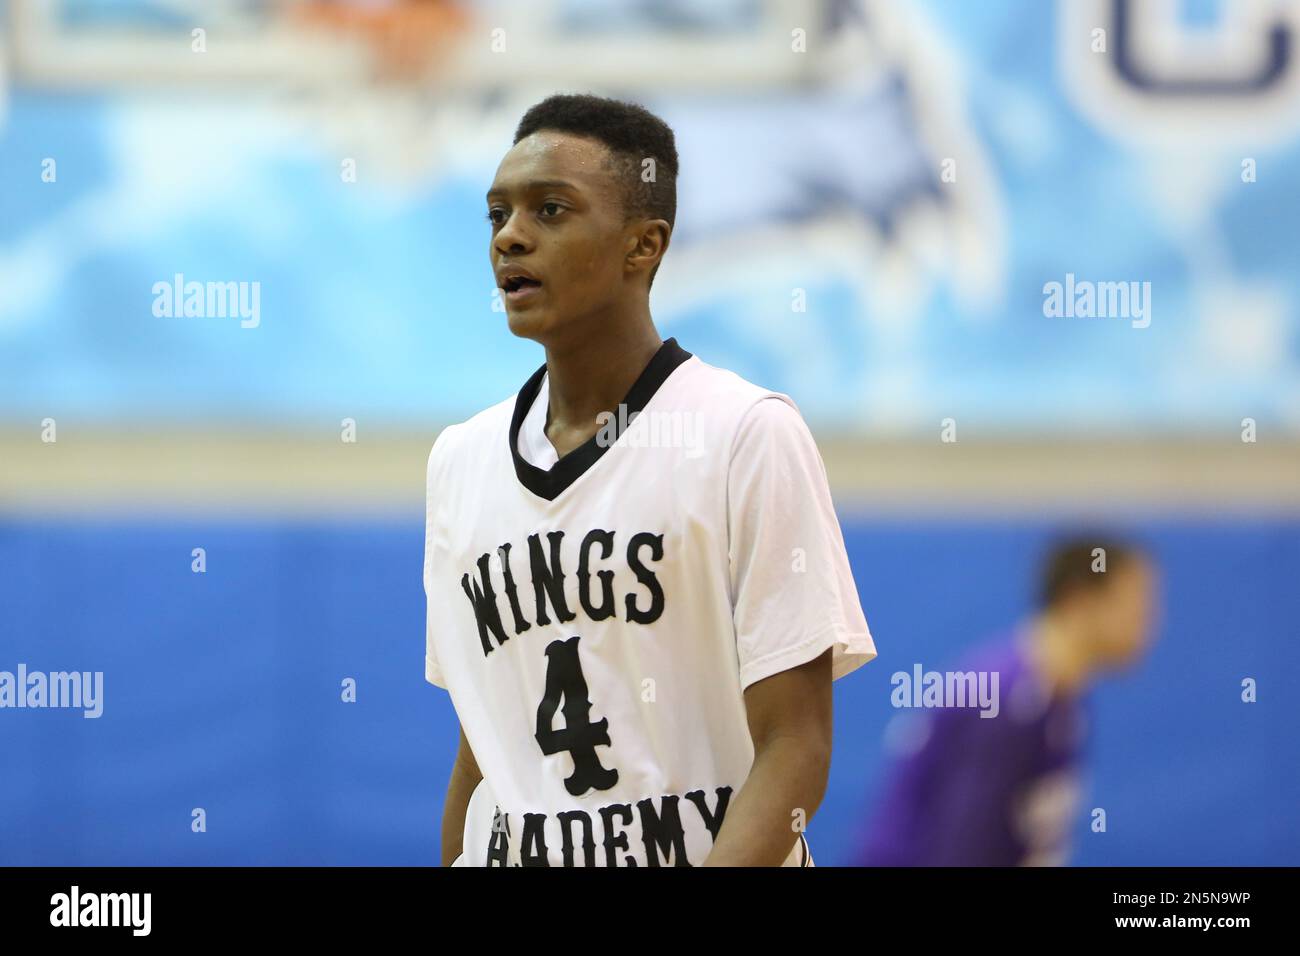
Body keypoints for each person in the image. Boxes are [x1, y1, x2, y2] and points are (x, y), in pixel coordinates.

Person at [423, 93, 876, 867]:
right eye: (498, 213)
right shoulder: (459, 461)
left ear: (643, 246)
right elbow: (484, 743)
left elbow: (796, 747)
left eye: (551, 210)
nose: (510, 237)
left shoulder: (746, 434)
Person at [859, 538, 1159, 866]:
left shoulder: (1064, 699)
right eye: (1136, 604)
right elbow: (961, 852)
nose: (1149, 622)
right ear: (1080, 600)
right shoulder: (1004, 701)